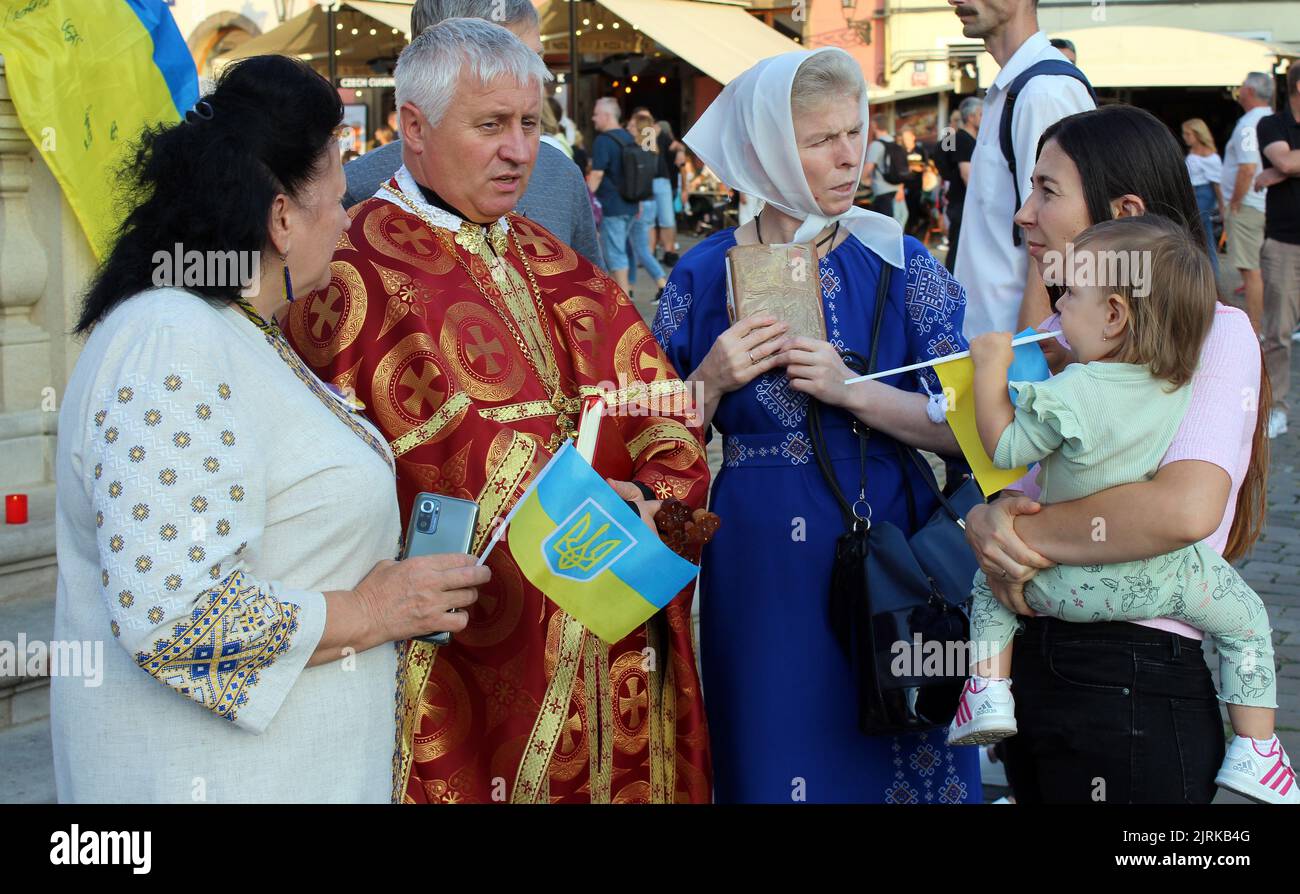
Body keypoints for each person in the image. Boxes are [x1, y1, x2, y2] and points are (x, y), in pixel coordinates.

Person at [282, 19, 712, 804]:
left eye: (530, 125)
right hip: (464, 672)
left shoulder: (559, 263)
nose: (522, 151)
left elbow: (661, 405)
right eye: (492, 126)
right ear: (413, 126)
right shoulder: (342, 275)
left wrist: (654, 500)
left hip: (611, 652)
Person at [51, 56, 489, 803]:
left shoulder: (228, 327)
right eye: (337, 199)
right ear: (282, 217)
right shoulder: (170, 341)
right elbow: (179, 618)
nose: (348, 221)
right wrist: (374, 610)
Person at [654, 47, 980, 804]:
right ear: (768, 147)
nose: (848, 156)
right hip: (761, 553)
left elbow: (975, 431)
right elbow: (644, 441)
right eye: (818, 140)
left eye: (854, 131)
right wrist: (709, 381)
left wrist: (855, 391)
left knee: (903, 726)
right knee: (776, 737)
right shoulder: (702, 275)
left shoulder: (904, 264)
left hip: (894, 540)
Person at [966, 104, 1271, 803]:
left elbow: (1185, 508)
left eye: (1048, 190)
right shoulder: (1074, 334)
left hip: (1130, 668)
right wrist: (992, 511)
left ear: (1122, 213)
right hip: (1045, 656)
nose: (1024, 213)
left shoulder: (1217, 332)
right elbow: (1022, 462)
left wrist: (1009, 533)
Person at [340, 0, 604, 271]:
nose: (524, 78)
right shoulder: (353, 189)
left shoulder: (560, 174)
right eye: (493, 59)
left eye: (534, 59)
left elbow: (595, 299)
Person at [949, 0, 1095, 337]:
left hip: (1016, 355)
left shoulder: (1043, 92)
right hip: (994, 346)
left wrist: (1023, 365)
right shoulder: (1014, 89)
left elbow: (1064, 240)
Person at [1255, 60, 1300, 440]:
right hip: (1286, 244)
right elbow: (1284, 158)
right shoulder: (1272, 124)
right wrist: (1285, 167)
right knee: (1278, 333)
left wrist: (1280, 173)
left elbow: (1283, 163)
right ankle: (1277, 406)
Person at [1223, 72, 1274, 333]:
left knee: (1250, 269)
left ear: (1250, 91)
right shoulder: (1271, 119)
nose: (1238, 88)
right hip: (1265, 203)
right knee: (1263, 269)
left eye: (1242, 84)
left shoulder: (1248, 125)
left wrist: (1234, 202)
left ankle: (1255, 331)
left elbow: (1247, 166)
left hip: (1248, 205)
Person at [588, 96, 643, 295]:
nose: (593, 118)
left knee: (615, 254)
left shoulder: (603, 141)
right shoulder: (629, 137)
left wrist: (584, 198)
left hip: (612, 206)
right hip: (632, 205)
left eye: (596, 114)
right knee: (625, 251)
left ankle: (623, 303)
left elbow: (597, 174)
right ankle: (628, 290)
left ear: (606, 115)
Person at [624, 109, 669, 299]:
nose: (628, 127)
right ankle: (630, 286)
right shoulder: (650, 151)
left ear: (640, 129)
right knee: (632, 247)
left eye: (632, 125)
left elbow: (640, 182)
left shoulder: (641, 153)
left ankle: (663, 285)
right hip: (647, 203)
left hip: (642, 204)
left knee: (640, 249)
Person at [1182, 117, 1224, 279]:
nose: (1185, 137)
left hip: (1203, 194)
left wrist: (1221, 205)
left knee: (1202, 233)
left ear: (1198, 134)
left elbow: (1217, 183)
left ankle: (1212, 276)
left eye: (1188, 134)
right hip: (1192, 192)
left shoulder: (1210, 156)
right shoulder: (1193, 152)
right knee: (1199, 233)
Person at [943, 97, 981, 272]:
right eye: (981, 114)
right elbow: (966, 174)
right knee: (957, 248)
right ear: (971, 117)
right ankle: (949, 286)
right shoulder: (960, 138)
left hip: (961, 201)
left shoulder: (970, 139)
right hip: (961, 202)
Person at [863, 114, 900, 217]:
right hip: (897, 189)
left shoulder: (876, 145)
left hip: (882, 190)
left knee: (883, 225)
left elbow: (868, 167)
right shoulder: (895, 143)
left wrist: (859, 182)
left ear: (874, 125)